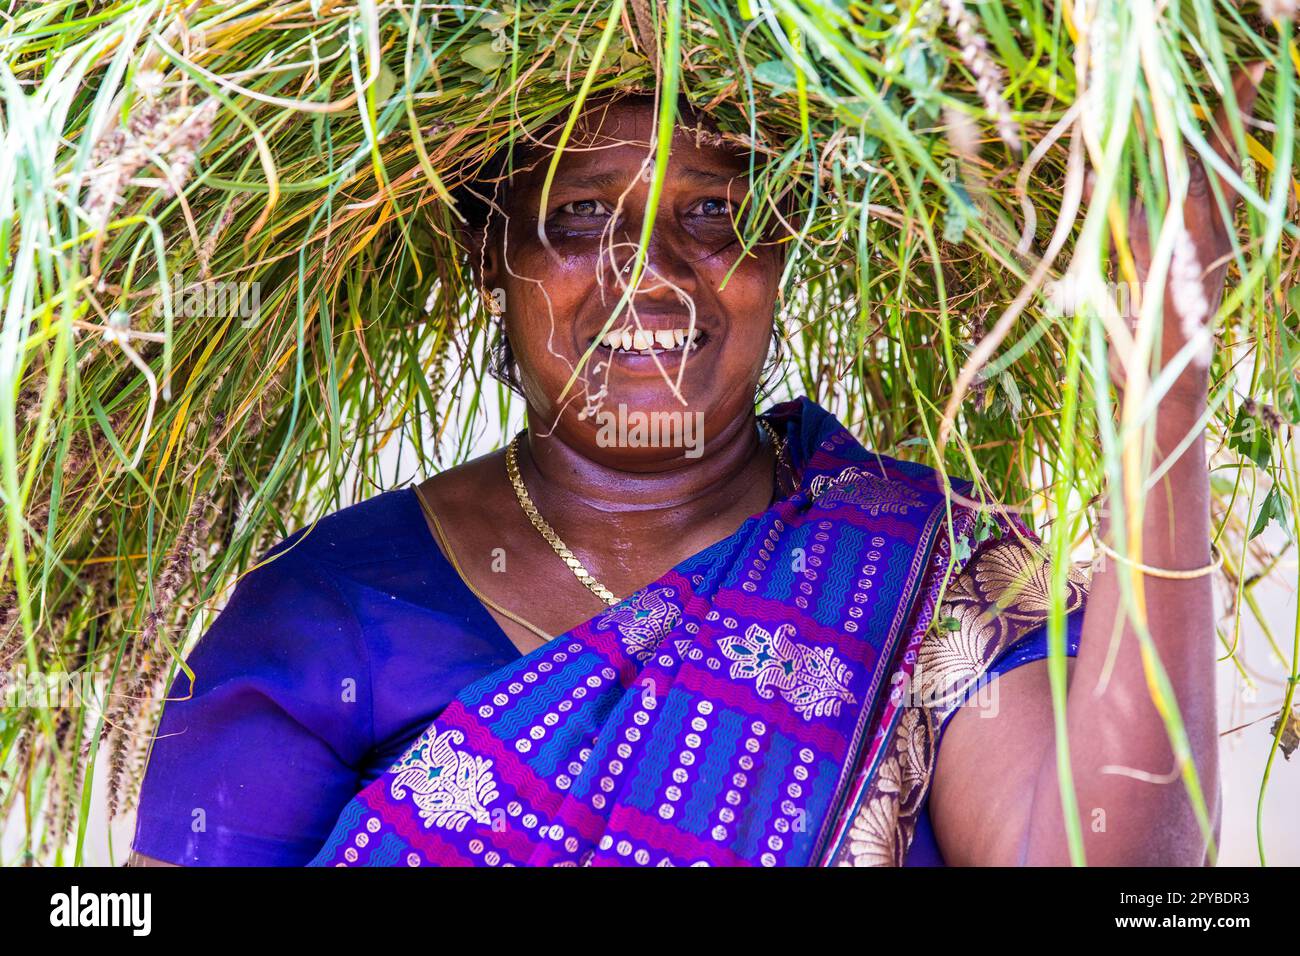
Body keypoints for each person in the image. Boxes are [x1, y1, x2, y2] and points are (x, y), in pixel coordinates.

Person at [129, 68, 1261, 866]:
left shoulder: (925, 568)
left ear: (784, 244)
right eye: (578, 215)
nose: (651, 278)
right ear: (491, 251)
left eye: (713, 212)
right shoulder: (321, 613)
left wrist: (1156, 373)